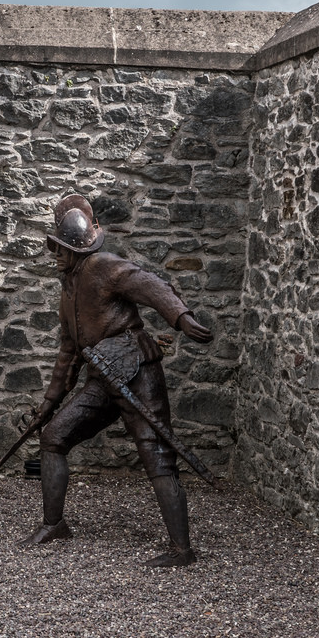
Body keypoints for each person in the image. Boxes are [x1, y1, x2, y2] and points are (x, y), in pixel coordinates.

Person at [26, 193, 213, 566]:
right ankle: (54, 524)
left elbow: (150, 285)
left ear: (78, 250)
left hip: (137, 369)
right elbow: (68, 352)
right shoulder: (68, 292)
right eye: (55, 248)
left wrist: (181, 317)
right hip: (101, 378)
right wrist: (48, 406)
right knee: (54, 437)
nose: (56, 255)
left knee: (156, 454)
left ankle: (182, 549)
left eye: (62, 249)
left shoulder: (103, 266)